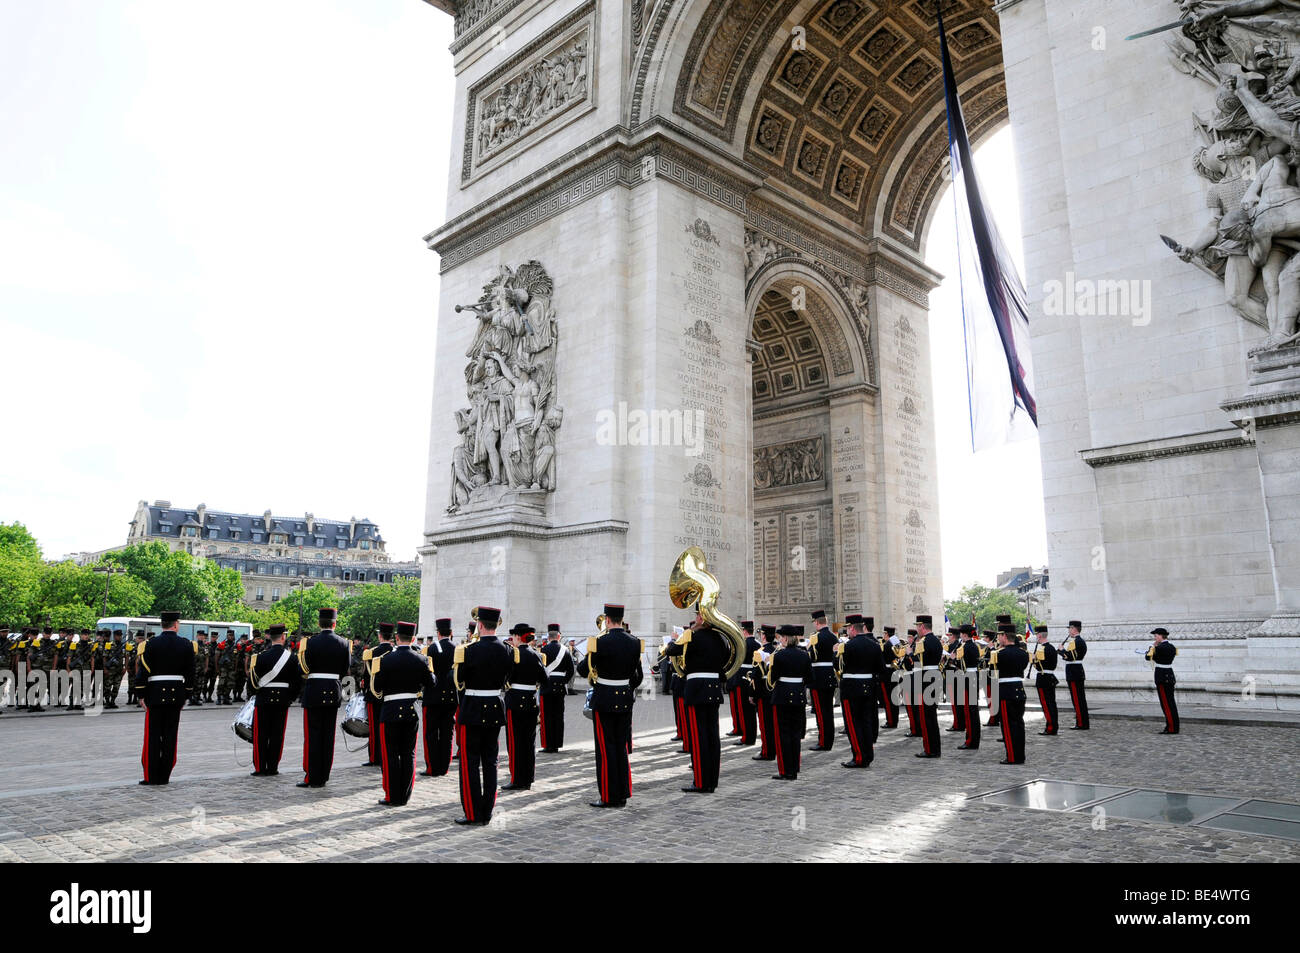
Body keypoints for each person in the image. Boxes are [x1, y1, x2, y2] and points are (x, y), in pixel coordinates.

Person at [576, 603, 643, 808]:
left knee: (605, 749)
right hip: (624, 698)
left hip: (604, 698)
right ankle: (623, 792)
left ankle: (608, 796)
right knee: (621, 747)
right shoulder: (634, 642)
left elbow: (581, 669)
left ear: (607, 620)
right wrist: (626, 686)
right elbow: (638, 676)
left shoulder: (600, 642)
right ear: (621, 619)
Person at [452, 606, 511, 825]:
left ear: (479, 624)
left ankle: (472, 811)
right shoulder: (507, 650)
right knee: (490, 761)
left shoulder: (468, 650)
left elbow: (459, 682)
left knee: (469, 762)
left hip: (473, 707)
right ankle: (487, 810)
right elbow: (508, 679)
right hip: (495, 706)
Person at [663, 608, 729, 794]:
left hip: (696, 688)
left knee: (698, 736)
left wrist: (680, 637)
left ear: (701, 618)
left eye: (697, 616)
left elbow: (672, 650)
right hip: (714, 688)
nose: (695, 619)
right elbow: (725, 658)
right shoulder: (720, 638)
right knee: (712, 735)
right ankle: (712, 780)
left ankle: (701, 782)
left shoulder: (692, 635)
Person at [373, 621, 435, 806]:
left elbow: (377, 687)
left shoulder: (384, 660)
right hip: (411, 709)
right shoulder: (421, 659)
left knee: (390, 754)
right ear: (413, 639)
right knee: (409, 754)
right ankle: (405, 795)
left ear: (396, 638)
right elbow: (431, 683)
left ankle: (392, 795)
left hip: (390, 710)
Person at [134, 611, 195, 785]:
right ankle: (165, 776)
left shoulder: (150, 644)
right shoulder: (186, 645)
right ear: (175, 624)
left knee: (152, 737)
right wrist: (186, 695)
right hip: (176, 695)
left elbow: (142, 672)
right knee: (170, 737)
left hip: (154, 694)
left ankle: (151, 776)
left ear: (162, 625)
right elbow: (190, 674)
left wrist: (141, 695)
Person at [297, 607, 350, 788]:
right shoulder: (344, 643)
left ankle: (312, 776)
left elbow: (302, 669)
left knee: (313, 737)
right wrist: (347, 696)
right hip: (333, 692)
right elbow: (346, 672)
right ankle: (324, 776)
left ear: (319, 624)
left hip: (313, 691)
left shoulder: (309, 643)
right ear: (334, 624)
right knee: (328, 737)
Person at [248, 624, 302, 777]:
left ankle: (260, 767)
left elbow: (252, 682)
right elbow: (296, 683)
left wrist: (256, 694)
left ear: (270, 638)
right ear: (283, 637)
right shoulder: (291, 658)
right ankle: (273, 767)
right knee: (277, 734)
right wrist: (289, 698)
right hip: (282, 700)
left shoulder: (260, 656)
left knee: (261, 734)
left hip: (263, 698)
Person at [837, 615, 886, 768]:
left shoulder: (847, 646)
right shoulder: (874, 645)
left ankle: (858, 757)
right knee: (866, 723)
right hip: (869, 688)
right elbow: (881, 669)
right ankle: (868, 755)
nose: (846, 631)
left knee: (853, 725)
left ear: (852, 628)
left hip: (851, 689)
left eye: (847, 628)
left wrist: (835, 653)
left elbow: (839, 667)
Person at [502, 624, 546, 791]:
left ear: (519, 637)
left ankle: (516, 778)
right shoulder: (536, 654)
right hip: (530, 701)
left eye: (513, 636)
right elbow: (545, 679)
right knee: (529, 742)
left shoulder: (513, 655)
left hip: (514, 702)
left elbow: (505, 677)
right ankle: (528, 778)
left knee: (515, 742)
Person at [767, 625, 812, 780]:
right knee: (795, 734)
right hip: (798, 696)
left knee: (783, 735)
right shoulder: (804, 655)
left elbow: (771, 679)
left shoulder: (779, 655)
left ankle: (786, 770)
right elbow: (809, 678)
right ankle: (795, 766)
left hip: (782, 697)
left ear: (785, 638)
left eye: (781, 637)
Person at [421, 617, 459, 776]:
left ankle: (432, 767)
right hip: (451, 696)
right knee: (447, 732)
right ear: (450, 633)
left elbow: (429, 673)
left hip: (433, 695)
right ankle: (444, 766)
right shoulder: (458, 648)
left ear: (438, 633)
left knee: (431, 733)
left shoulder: (432, 648)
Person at [360, 623, 395, 766]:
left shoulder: (371, 653)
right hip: (390, 695)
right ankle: (388, 755)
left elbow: (366, 677)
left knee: (374, 728)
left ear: (380, 636)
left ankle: (374, 757)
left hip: (374, 695)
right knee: (389, 728)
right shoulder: (395, 652)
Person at [994, 624, 1028, 764]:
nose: (998, 638)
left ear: (1004, 636)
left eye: (999, 635)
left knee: (1008, 726)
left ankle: (1013, 757)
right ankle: (1020, 755)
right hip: (1019, 689)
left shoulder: (999, 654)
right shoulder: (1023, 653)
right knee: (1019, 724)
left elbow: (992, 673)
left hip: (1005, 691)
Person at [537, 623, 574, 752]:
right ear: (559, 636)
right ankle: (557, 744)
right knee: (558, 716)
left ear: (549, 636)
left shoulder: (543, 650)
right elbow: (570, 670)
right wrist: (563, 680)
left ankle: (548, 745)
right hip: (559, 687)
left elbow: (539, 669)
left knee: (546, 717)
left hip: (546, 686)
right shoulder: (566, 651)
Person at [805, 610, 837, 750]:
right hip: (829, 675)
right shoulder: (833, 637)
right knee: (828, 711)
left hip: (818, 678)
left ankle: (823, 741)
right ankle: (828, 739)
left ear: (817, 622)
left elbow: (811, 657)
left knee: (820, 711)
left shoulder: (816, 637)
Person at [914, 615, 942, 758]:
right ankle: (934, 747)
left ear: (922, 626)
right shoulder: (936, 641)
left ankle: (930, 749)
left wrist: (909, 654)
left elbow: (918, 661)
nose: (916, 629)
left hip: (925, 679)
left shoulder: (923, 642)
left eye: (917, 626)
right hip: (935, 676)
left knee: (926, 716)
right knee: (931, 715)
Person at [1146, 628, 1179, 735]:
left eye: (1155, 636)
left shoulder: (1159, 648)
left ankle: (1171, 728)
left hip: (1161, 676)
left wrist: (1152, 646)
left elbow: (1148, 657)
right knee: (1171, 703)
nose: (1155, 638)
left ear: (1160, 636)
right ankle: (1174, 726)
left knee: (1166, 704)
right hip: (1170, 674)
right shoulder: (1172, 647)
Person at [1029, 625, 1059, 736]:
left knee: (1046, 704)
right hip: (1050, 677)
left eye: (1037, 634)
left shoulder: (1042, 649)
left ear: (1040, 635)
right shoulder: (1051, 648)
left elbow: (1039, 666)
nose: (1036, 636)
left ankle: (1050, 727)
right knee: (1051, 703)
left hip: (1043, 678)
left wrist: (1033, 661)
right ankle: (1053, 726)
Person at [956, 626, 981, 750]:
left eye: (961, 634)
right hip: (974, 676)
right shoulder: (975, 646)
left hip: (968, 678)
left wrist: (952, 660)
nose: (960, 636)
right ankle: (973, 739)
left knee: (969, 711)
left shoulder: (964, 647)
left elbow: (960, 663)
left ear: (964, 635)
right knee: (973, 710)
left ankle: (971, 740)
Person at [1061, 620, 1089, 730]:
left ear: (1074, 629)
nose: (1069, 630)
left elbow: (1070, 657)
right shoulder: (1078, 641)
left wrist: (1061, 650)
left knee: (1077, 699)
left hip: (1074, 672)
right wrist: (1062, 652)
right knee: (1079, 699)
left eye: (1070, 628)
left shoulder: (1076, 642)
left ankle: (1081, 723)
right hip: (1076, 671)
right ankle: (1082, 722)